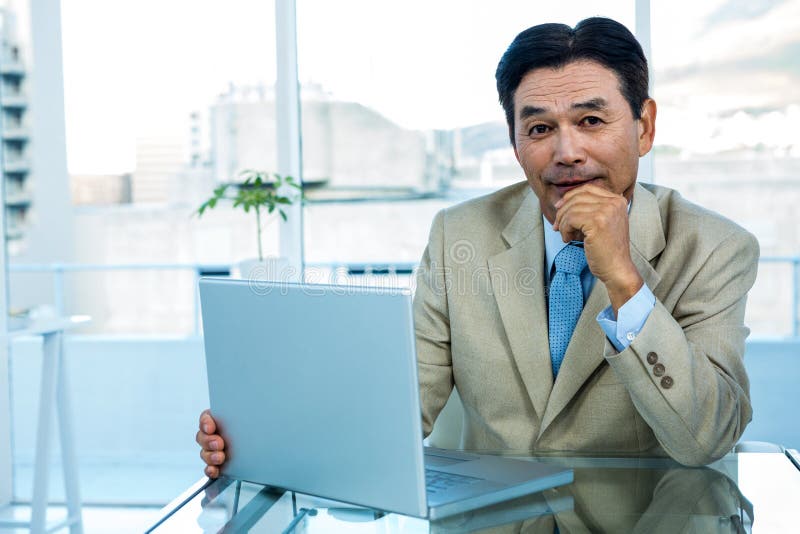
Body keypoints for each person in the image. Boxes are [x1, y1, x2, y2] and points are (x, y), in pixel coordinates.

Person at [197, 17, 758, 477]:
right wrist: (267, 442)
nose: (567, 152)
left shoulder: (714, 248)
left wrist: (625, 284)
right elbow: (399, 406)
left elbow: (704, 438)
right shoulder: (459, 235)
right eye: (539, 129)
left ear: (643, 126)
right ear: (514, 141)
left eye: (591, 120)